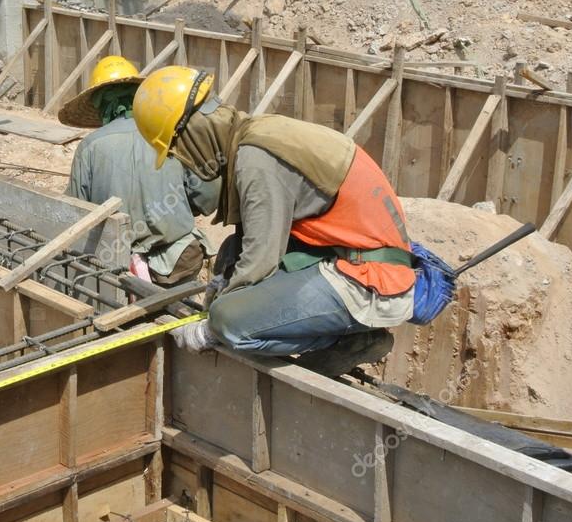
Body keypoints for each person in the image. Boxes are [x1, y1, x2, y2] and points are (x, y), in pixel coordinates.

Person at [129, 65, 416, 377]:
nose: (182, 159)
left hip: (368, 281)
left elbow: (260, 260)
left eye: (175, 148)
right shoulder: (255, 136)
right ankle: (333, 334)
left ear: (191, 132)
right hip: (347, 259)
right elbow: (249, 246)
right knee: (230, 254)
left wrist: (211, 327)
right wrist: (225, 285)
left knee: (230, 322)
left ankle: (348, 341)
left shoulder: (257, 159)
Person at [59, 56, 221, 286]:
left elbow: (74, 211)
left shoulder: (90, 147)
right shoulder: (171, 133)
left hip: (113, 264)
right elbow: (207, 198)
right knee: (180, 317)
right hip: (179, 260)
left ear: (101, 104)